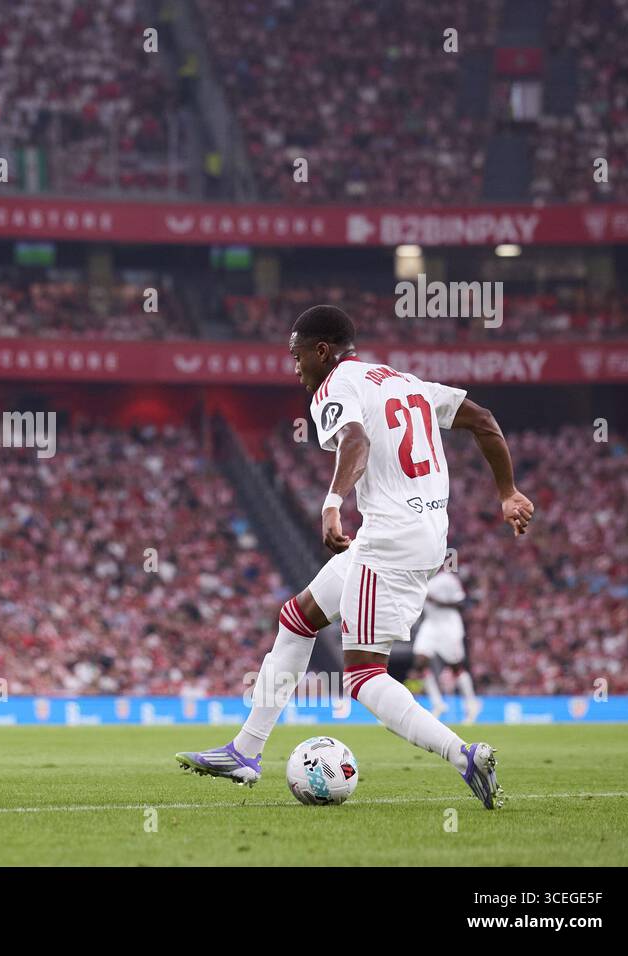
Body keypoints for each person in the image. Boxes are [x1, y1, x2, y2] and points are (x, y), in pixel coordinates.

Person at [175, 305, 534, 810]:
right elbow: (484, 420)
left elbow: (356, 438)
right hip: (420, 532)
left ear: (323, 351)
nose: (295, 367)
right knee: (297, 618)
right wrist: (507, 492)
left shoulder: (336, 384)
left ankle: (464, 755)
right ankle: (245, 752)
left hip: (390, 537)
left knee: (363, 675)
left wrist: (331, 503)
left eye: (298, 356)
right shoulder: (407, 383)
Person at [412, 570, 478, 721]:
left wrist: (437, 602)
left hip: (449, 625)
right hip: (431, 624)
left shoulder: (448, 579)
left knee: (455, 667)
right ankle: (437, 703)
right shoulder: (420, 578)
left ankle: (471, 703)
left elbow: (461, 603)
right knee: (420, 661)